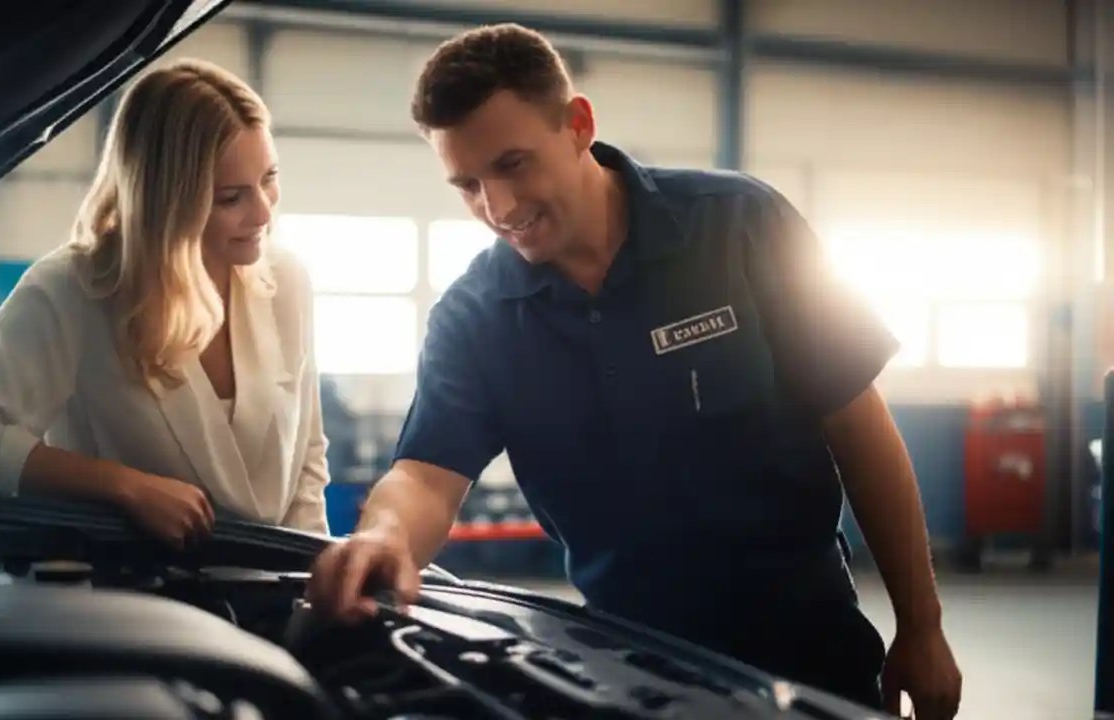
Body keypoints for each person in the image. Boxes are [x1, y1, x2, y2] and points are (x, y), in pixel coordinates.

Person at [306, 23, 961, 718]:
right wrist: (383, 534)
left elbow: (859, 427)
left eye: (513, 164)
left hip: (810, 649)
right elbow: (426, 477)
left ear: (578, 125)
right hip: (627, 668)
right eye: (468, 185)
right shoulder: (476, 317)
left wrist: (921, 626)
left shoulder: (739, 225)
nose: (497, 208)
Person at [0, 59, 331, 546]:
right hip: (121, 585)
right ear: (167, 198)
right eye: (231, 197)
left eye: (269, 178)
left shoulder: (287, 281)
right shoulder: (74, 290)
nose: (263, 212)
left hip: (272, 583)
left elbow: (307, 459)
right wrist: (123, 487)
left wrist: (313, 571)